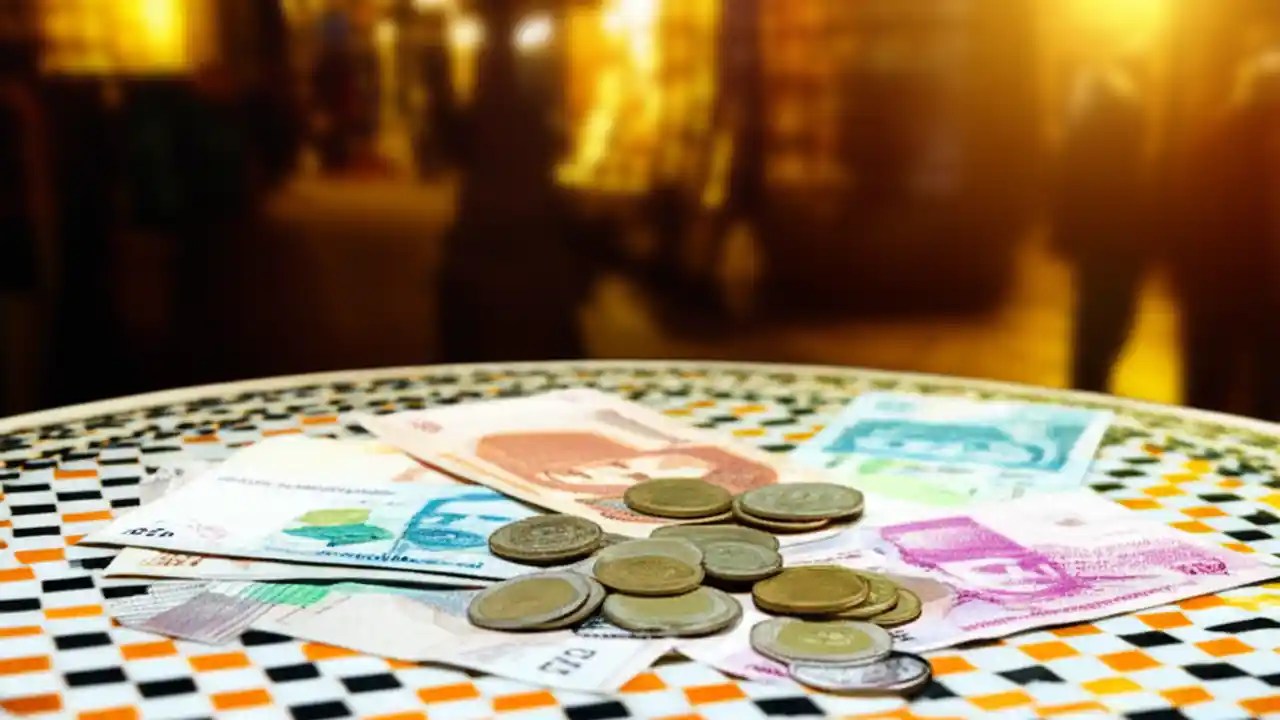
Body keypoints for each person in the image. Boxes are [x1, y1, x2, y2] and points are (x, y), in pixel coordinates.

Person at [1172, 51, 1280, 418]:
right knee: (1261, 396)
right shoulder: (1264, 141)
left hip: (1211, 289)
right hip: (1258, 293)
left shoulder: (1211, 133)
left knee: (1207, 389)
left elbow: (1183, 209)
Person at [1051, 64, 1149, 394]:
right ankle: (1093, 384)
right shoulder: (1124, 141)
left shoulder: (1084, 137)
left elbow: (1065, 190)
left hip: (1100, 245)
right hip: (1119, 244)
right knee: (1108, 321)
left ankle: (1089, 385)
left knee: (1095, 321)